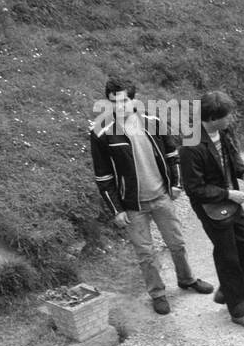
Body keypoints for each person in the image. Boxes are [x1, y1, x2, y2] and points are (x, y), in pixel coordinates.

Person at [89, 76, 213, 315]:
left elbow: (171, 154)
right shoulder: (101, 133)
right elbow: (103, 177)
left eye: (124, 101)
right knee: (146, 254)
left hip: (161, 196)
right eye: (114, 102)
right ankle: (157, 294)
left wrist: (176, 184)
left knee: (177, 243)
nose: (119, 106)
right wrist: (116, 209)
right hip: (132, 205)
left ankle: (186, 280)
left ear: (134, 100)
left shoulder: (154, 121)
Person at [179, 91, 244, 329]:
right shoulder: (190, 143)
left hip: (231, 199)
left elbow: (231, 155)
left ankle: (228, 290)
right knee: (228, 254)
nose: (231, 119)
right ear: (212, 118)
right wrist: (229, 194)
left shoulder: (222, 131)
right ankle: (239, 310)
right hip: (211, 206)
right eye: (227, 116)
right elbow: (194, 188)